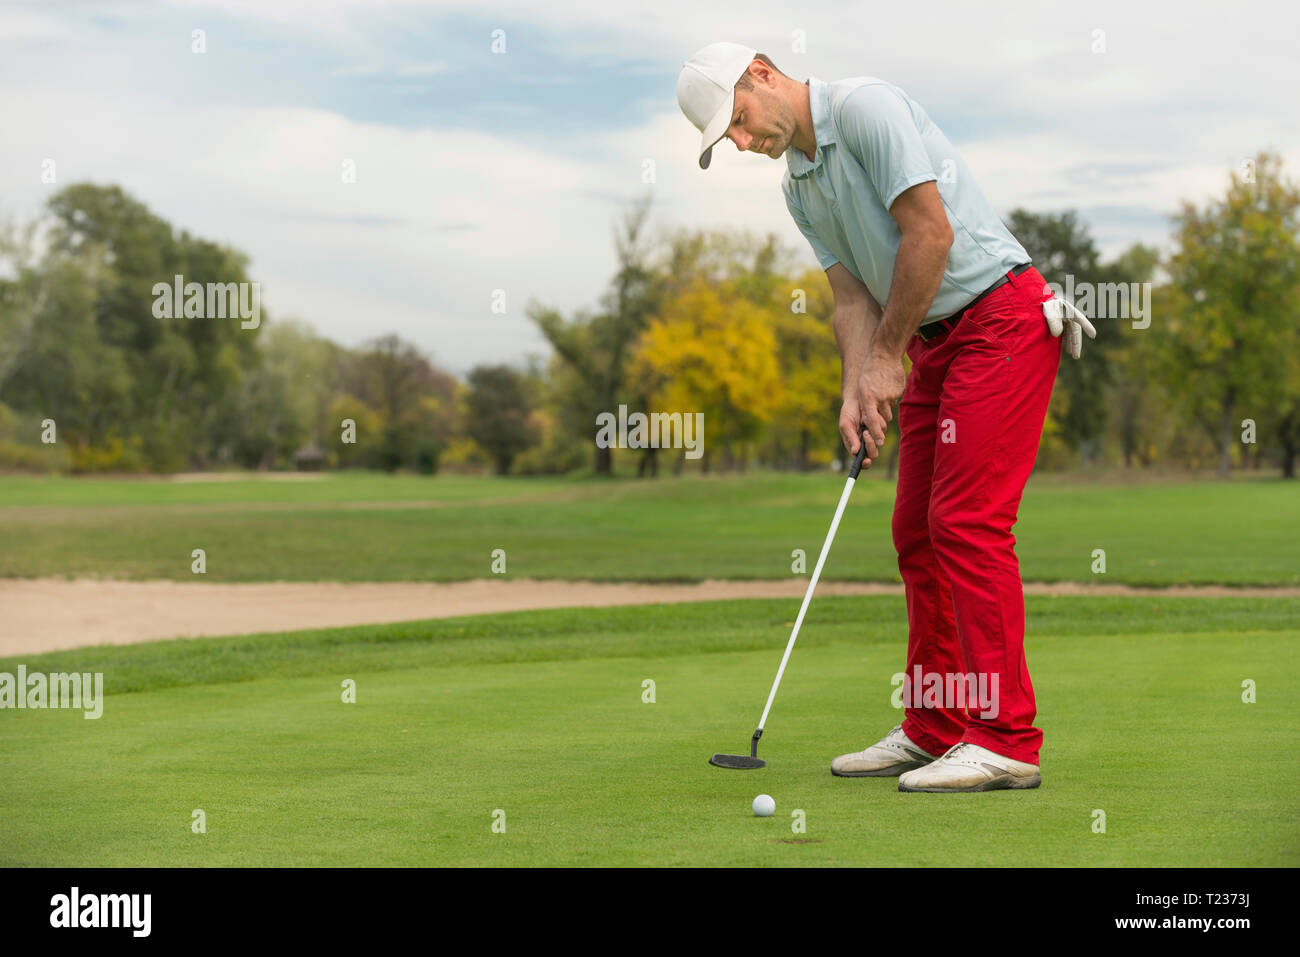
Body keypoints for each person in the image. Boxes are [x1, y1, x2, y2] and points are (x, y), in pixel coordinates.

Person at [676, 42, 1094, 793]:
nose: (742, 143)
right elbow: (851, 300)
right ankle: (936, 724)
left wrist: (887, 358)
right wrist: (855, 386)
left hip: (1001, 320)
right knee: (916, 531)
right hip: (932, 341)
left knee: (967, 522)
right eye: (728, 140)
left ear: (763, 73)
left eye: (738, 120)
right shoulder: (800, 187)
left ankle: (1005, 737)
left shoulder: (865, 108)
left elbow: (929, 233)